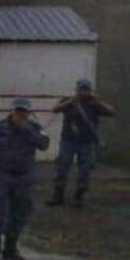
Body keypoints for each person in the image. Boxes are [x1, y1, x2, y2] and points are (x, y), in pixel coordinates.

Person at [0, 98, 50, 260]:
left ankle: (10, 248)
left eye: (23, 111)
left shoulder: (34, 128)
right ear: (11, 111)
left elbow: (43, 144)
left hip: (23, 176)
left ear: (28, 113)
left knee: (19, 213)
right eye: (18, 111)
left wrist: (26, 129)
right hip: (1, 175)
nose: (20, 114)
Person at [48, 79, 115, 207]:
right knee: (62, 166)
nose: (84, 93)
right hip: (68, 141)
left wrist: (98, 102)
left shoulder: (94, 104)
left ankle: (79, 196)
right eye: (81, 89)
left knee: (85, 169)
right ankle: (58, 194)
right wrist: (71, 101)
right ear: (77, 90)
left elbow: (111, 112)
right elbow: (55, 109)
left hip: (87, 142)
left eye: (86, 90)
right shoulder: (69, 101)